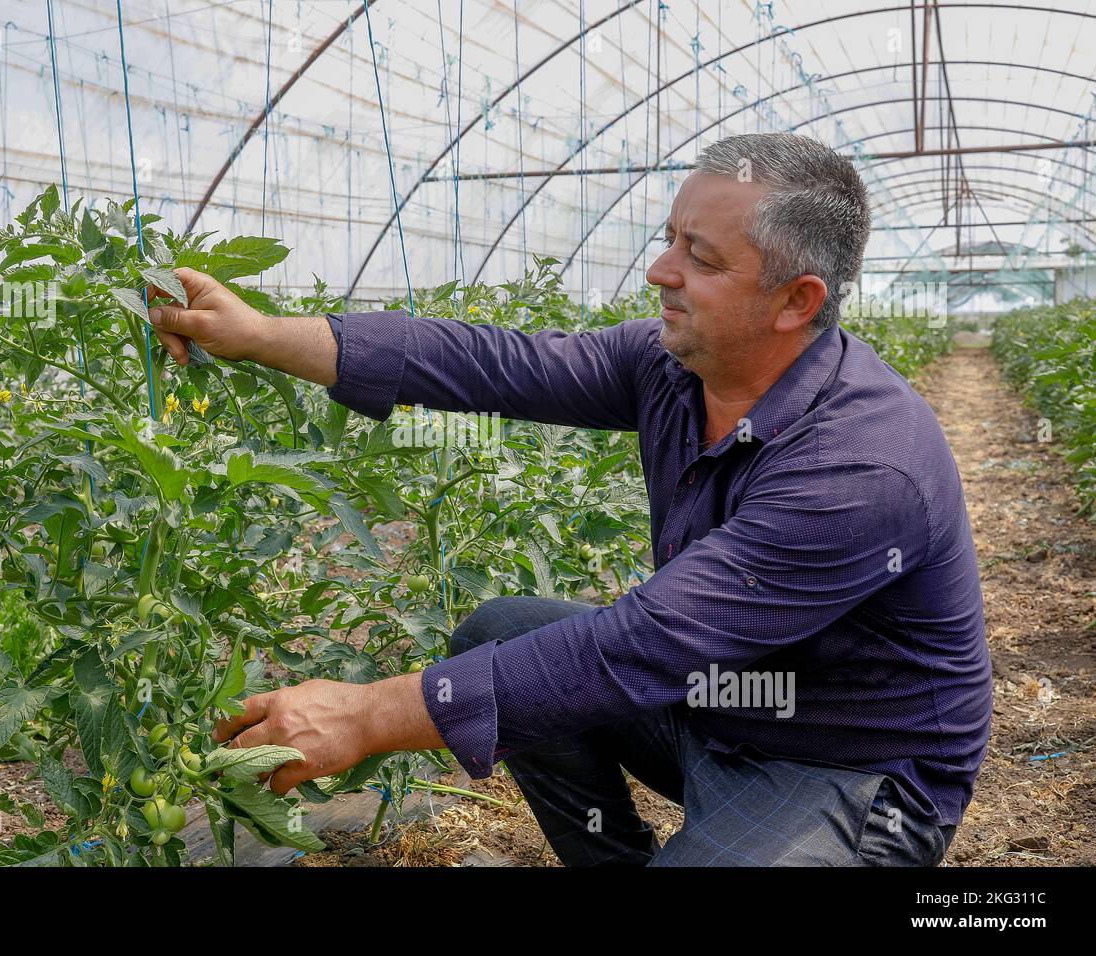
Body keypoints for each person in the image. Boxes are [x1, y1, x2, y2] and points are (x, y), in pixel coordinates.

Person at [146, 132, 992, 867]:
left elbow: (638, 649)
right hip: (721, 709)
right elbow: (494, 364)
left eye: (702, 257)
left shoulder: (863, 467)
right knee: (503, 636)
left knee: (562, 664)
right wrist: (262, 335)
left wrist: (368, 713)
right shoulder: (674, 368)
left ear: (797, 300)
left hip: (848, 769)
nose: (661, 271)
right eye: (669, 240)